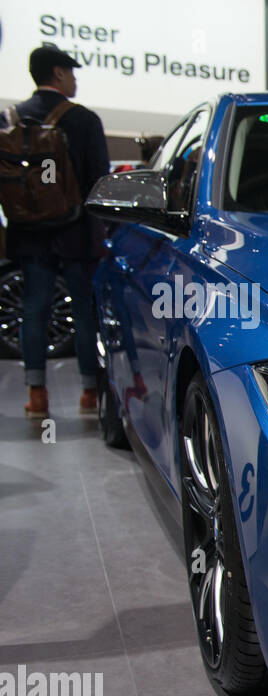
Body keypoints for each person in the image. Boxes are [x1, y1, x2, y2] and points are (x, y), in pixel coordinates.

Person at [4, 47, 109, 418]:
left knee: (34, 310)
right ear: (58, 74)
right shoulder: (82, 120)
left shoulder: (9, 118)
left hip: (28, 232)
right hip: (75, 231)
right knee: (83, 313)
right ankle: (88, 394)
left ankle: (36, 395)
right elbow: (100, 181)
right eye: (71, 72)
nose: (75, 79)